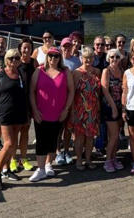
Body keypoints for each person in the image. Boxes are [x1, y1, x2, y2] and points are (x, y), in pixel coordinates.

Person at [28, 46, 74, 182]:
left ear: (60, 58)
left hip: (58, 114)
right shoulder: (39, 70)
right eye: (50, 56)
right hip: (41, 113)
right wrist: (34, 110)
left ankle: (48, 164)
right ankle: (40, 169)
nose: (53, 58)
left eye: (56, 56)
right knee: (41, 141)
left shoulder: (65, 72)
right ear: (47, 57)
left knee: (54, 141)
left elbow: (71, 91)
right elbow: (32, 91)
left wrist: (66, 109)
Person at [0, 48, 29, 190]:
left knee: (13, 144)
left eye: (17, 58)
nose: (14, 61)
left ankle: (6, 170)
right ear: (6, 59)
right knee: (9, 144)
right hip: (5, 114)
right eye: (11, 58)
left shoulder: (21, 73)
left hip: (19, 113)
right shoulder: (0, 74)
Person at [69, 47, 101, 169]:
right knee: (79, 137)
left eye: (91, 57)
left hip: (93, 109)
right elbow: (72, 93)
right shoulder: (76, 73)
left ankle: (88, 160)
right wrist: (72, 111)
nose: (88, 60)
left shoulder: (97, 72)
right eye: (86, 58)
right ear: (81, 58)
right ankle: (79, 161)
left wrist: (99, 109)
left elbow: (99, 91)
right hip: (80, 109)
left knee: (90, 137)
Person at [13, 39, 38, 172]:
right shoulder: (16, 62)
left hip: (29, 102)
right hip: (17, 103)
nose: (26, 50)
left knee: (25, 132)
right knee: (14, 133)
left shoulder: (34, 63)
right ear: (20, 49)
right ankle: (12, 159)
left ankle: (23, 159)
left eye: (29, 48)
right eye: (24, 48)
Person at [101, 49, 125, 172]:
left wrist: (122, 107)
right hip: (109, 107)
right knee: (114, 135)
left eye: (116, 57)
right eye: (111, 57)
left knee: (115, 136)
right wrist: (114, 108)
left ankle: (114, 158)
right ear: (108, 59)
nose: (114, 59)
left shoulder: (122, 71)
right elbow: (105, 90)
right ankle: (107, 161)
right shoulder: (106, 71)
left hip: (120, 106)